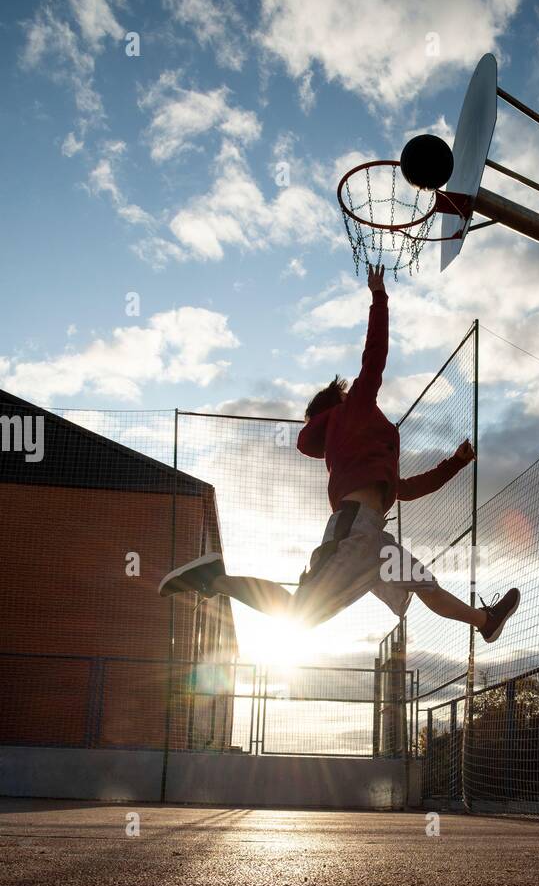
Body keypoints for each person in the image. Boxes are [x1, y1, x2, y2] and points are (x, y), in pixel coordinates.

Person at [159, 265, 520, 643]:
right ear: (340, 401)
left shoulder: (364, 447)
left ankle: (486, 621)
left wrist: (456, 463)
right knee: (300, 613)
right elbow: (374, 357)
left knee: (426, 587)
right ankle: (215, 577)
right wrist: (379, 297)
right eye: (348, 394)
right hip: (353, 532)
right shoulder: (353, 411)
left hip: (373, 539)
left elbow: (407, 489)